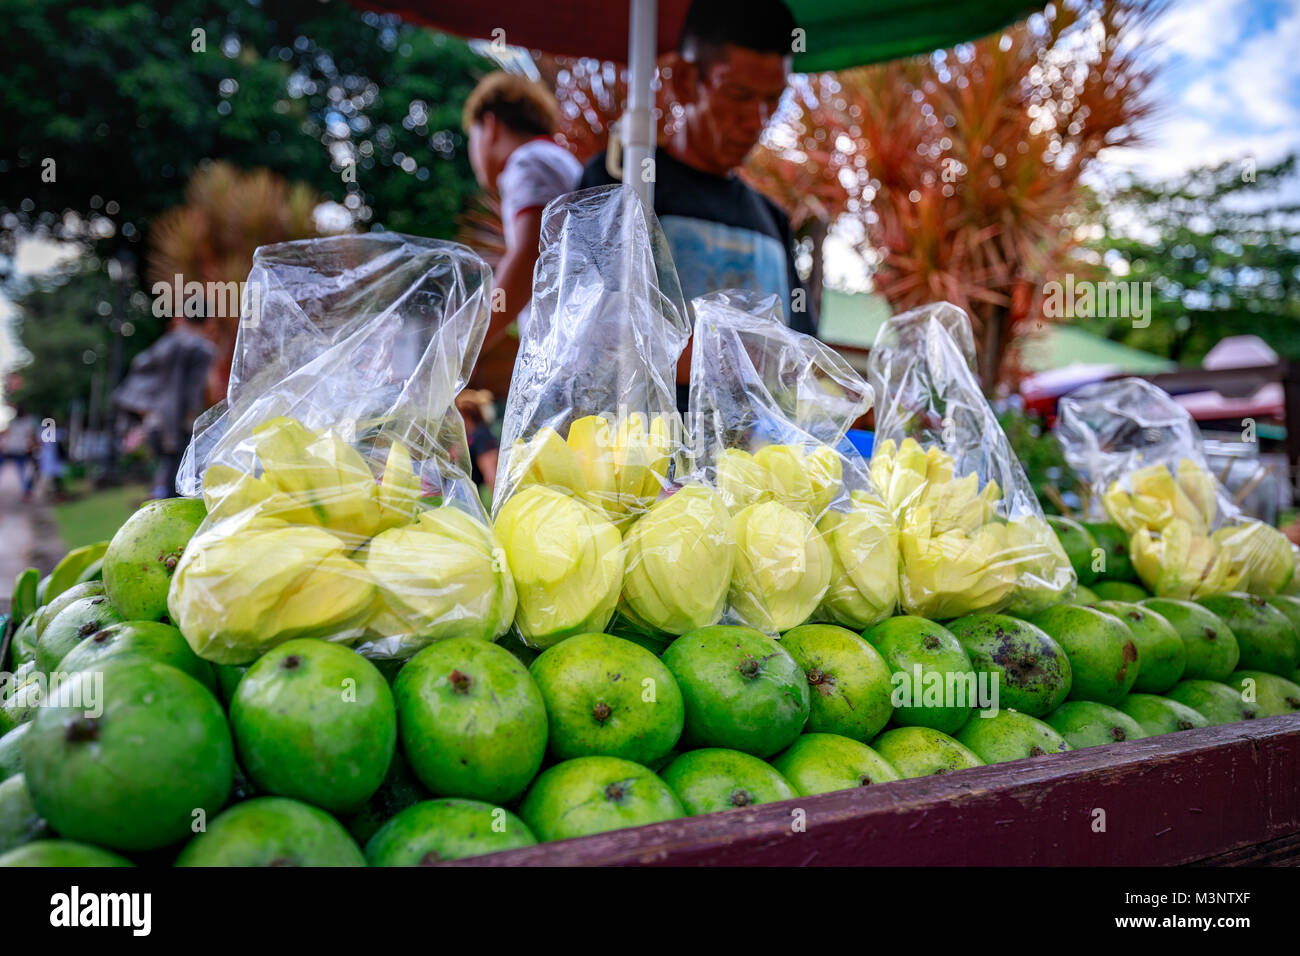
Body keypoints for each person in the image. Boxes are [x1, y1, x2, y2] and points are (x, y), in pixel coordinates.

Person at [579, 0, 811, 407]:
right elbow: (590, 332)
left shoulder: (773, 221)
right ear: (686, 82)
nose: (756, 119)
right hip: (638, 455)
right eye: (738, 94)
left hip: (756, 463)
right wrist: (735, 362)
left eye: (772, 100)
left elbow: (801, 352)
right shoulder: (622, 179)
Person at [463, 72, 583, 354]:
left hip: (564, 352)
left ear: (490, 126)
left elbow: (530, 254)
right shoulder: (558, 159)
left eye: (472, 136)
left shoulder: (527, 161)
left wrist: (468, 347)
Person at [113, 312, 217, 500]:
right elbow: (194, 390)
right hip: (179, 424)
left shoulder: (167, 343)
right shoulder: (201, 348)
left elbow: (140, 366)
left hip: (157, 422)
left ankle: (158, 504)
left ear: (182, 318)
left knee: (167, 471)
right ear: (209, 322)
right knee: (179, 481)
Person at [455, 389, 500, 494]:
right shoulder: (469, 436)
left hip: (479, 497)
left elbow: (490, 471)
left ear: (465, 415)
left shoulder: (481, 435)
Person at [0, 406, 36, 499]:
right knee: (21, 471)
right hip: (17, 449)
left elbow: (8, 434)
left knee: (21, 471)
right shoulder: (25, 422)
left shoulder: (19, 422)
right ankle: (25, 490)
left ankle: (25, 490)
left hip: (14, 449)